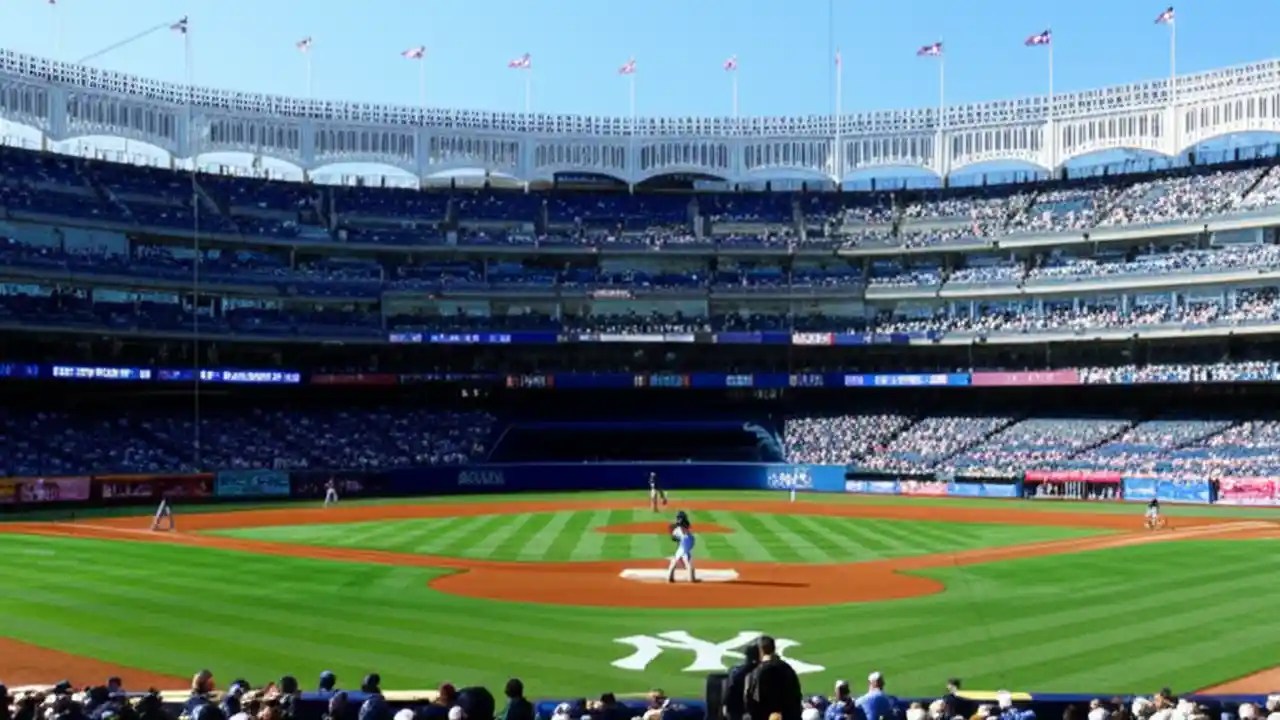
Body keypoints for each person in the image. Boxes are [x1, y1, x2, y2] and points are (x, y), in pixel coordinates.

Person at [745, 636, 802, 720]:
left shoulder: (755, 674)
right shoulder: (787, 669)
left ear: (760, 650)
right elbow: (797, 695)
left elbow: (751, 702)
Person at [667, 510, 697, 583]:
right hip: (685, 541)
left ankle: (691, 578)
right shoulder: (679, 526)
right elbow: (674, 538)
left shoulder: (684, 523)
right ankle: (690, 578)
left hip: (686, 540)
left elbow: (680, 525)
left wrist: (673, 526)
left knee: (685, 559)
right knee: (678, 559)